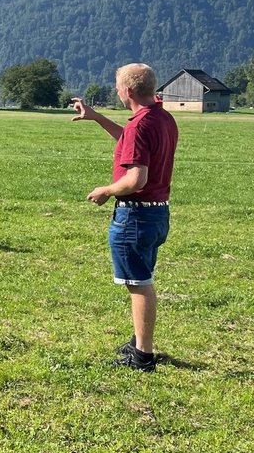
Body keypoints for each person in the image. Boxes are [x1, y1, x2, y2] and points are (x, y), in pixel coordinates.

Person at [72, 63, 178, 372]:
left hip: (135, 216)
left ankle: (142, 355)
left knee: (139, 284)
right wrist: (97, 118)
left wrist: (107, 189)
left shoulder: (139, 125)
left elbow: (136, 179)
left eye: (118, 87)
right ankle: (138, 341)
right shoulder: (162, 118)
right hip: (157, 215)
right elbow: (131, 142)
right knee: (141, 278)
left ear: (126, 91)